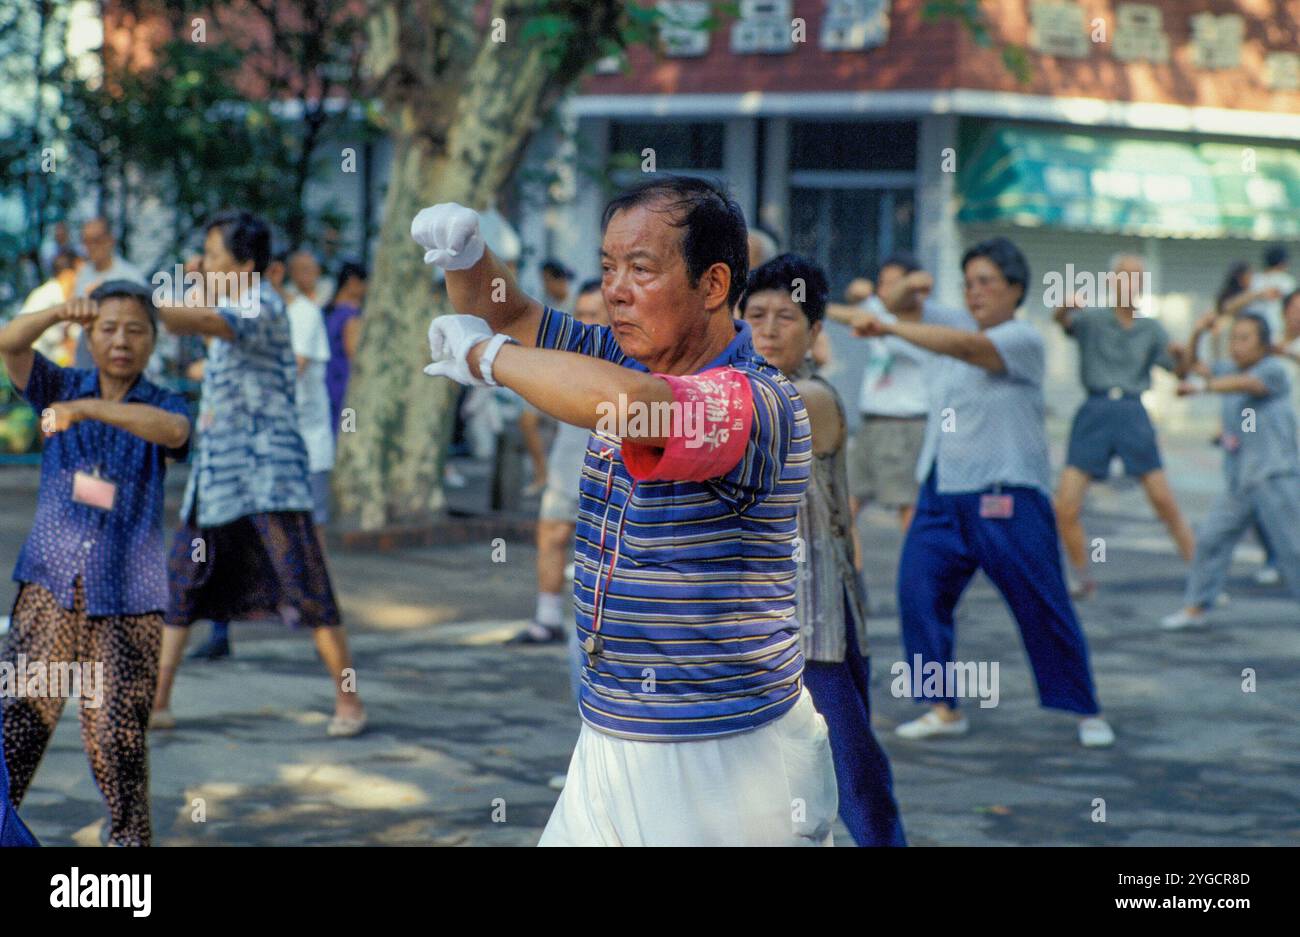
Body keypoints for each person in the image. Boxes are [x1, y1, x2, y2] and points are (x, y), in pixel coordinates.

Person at [412, 176, 836, 846]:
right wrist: (466, 258)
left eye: (641, 268)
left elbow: (637, 407)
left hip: (726, 750)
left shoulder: (758, 401)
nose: (615, 288)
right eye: (608, 267)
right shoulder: (623, 351)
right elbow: (516, 318)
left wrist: (489, 360)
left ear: (714, 283)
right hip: (614, 727)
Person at [852, 237, 1114, 748]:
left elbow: (965, 347)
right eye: (969, 283)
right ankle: (944, 709)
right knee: (919, 595)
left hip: (1007, 497)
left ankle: (1085, 709)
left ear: (1015, 288)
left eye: (987, 282)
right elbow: (877, 311)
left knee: (1042, 604)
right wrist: (896, 297)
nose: (975, 293)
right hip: (941, 492)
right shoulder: (946, 332)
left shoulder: (1022, 339)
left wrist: (887, 322)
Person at [149, 211, 365, 737]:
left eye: (215, 255)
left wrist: (173, 289)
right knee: (181, 586)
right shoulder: (230, 302)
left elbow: (181, 320)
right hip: (217, 477)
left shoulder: (261, 303)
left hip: (270, 475)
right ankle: (157, 703)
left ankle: (349, 703)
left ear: (245, 264)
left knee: (307, 584)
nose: (205, 263)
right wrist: (198, 283)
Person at [0, 281, 192, 846]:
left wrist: (86, 410)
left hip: (127, 597)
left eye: (135, 330)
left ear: (153, 341)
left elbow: (175, 433)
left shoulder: (163, 401)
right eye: (108, 328)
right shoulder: (57, 382)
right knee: (15, 727)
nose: (121, 341)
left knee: (117, 742)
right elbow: (9, 343)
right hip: (51, 585)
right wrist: (58, 309)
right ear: (88, 334)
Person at [739, 252, 906, 847]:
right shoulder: (744, 390)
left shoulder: (809, 396)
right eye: (754, 315)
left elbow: (739, 420)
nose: (766, 328)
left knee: (850, 769)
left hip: (818, 622)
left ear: (815, 334)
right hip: (755, 621)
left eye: (786, 317)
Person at [1052, 254, 1195, 599]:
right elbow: (1063, 322)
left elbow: (1180, 372)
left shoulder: (1151, 328)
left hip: (1133, 412)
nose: (1129, 284)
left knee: (1163, 500)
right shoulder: (1093, 320)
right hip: (1095, 409)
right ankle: (1081, 577)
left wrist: (1183, 354)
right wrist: (1063, 306)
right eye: (1123, 277)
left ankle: (1201, 576)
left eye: (1136, 278)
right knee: (1065, 505)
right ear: (1110, 282)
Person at [1161, 314, 1300, 629]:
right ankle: (1196, 607)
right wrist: (1197, 331)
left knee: (1294, 551)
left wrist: (1203, 387)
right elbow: (1191, 367)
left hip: (1276, 477)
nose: (1236, 345)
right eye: (1234, 337)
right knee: (1211, 540)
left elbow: (1247, 384)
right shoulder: (1227, 370)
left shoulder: (1273, 370)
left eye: (1245, 338)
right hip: (1240, 481)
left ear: (1263, 344)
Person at [513, 280, 608, 649]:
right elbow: (529, 418)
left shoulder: (629, 360)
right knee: (551, 536)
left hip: (611, 473)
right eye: (580, 314)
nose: (586, 321)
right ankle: (547, 618)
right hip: (566, 466)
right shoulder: (566, 357)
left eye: (593, 314)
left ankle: (597, 629)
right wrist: (541, 469)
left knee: (602, 552)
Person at [827, 253, 935, 534]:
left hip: (904, 426)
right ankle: (853, 575)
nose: (885, 290)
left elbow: (862, 314)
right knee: (843, 505)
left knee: (907, 510)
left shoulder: (922, 322)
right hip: (870, 424)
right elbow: (852, 304)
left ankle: (913, 576)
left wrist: (862, 303)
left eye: (894, 283)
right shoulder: (880, 312)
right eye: (882, 283)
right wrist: (853, 293)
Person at [71, 219, 145, 368]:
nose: (91, 247)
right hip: (88, 360)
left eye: (96, 240)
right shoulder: (82, 275)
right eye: (86, 241)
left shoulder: (130, 276)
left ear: (110, 240)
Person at [323, 260, 367, 436]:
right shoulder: (351, 316)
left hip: (325, 386)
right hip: (346, 391)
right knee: (348, 434)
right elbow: (354, 354)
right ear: (353, 283)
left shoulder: (326, 312)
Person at [18, 248, 82, 364]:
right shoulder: (46, 297)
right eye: (80, 271)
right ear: (69, 273)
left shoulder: (64, 297)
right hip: (34, 367)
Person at [1246, 245, 1295, 339]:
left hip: (1254, 331)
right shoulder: (1286, 281)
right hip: (1277, 328)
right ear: (1282, 262)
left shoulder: (1255, 279)